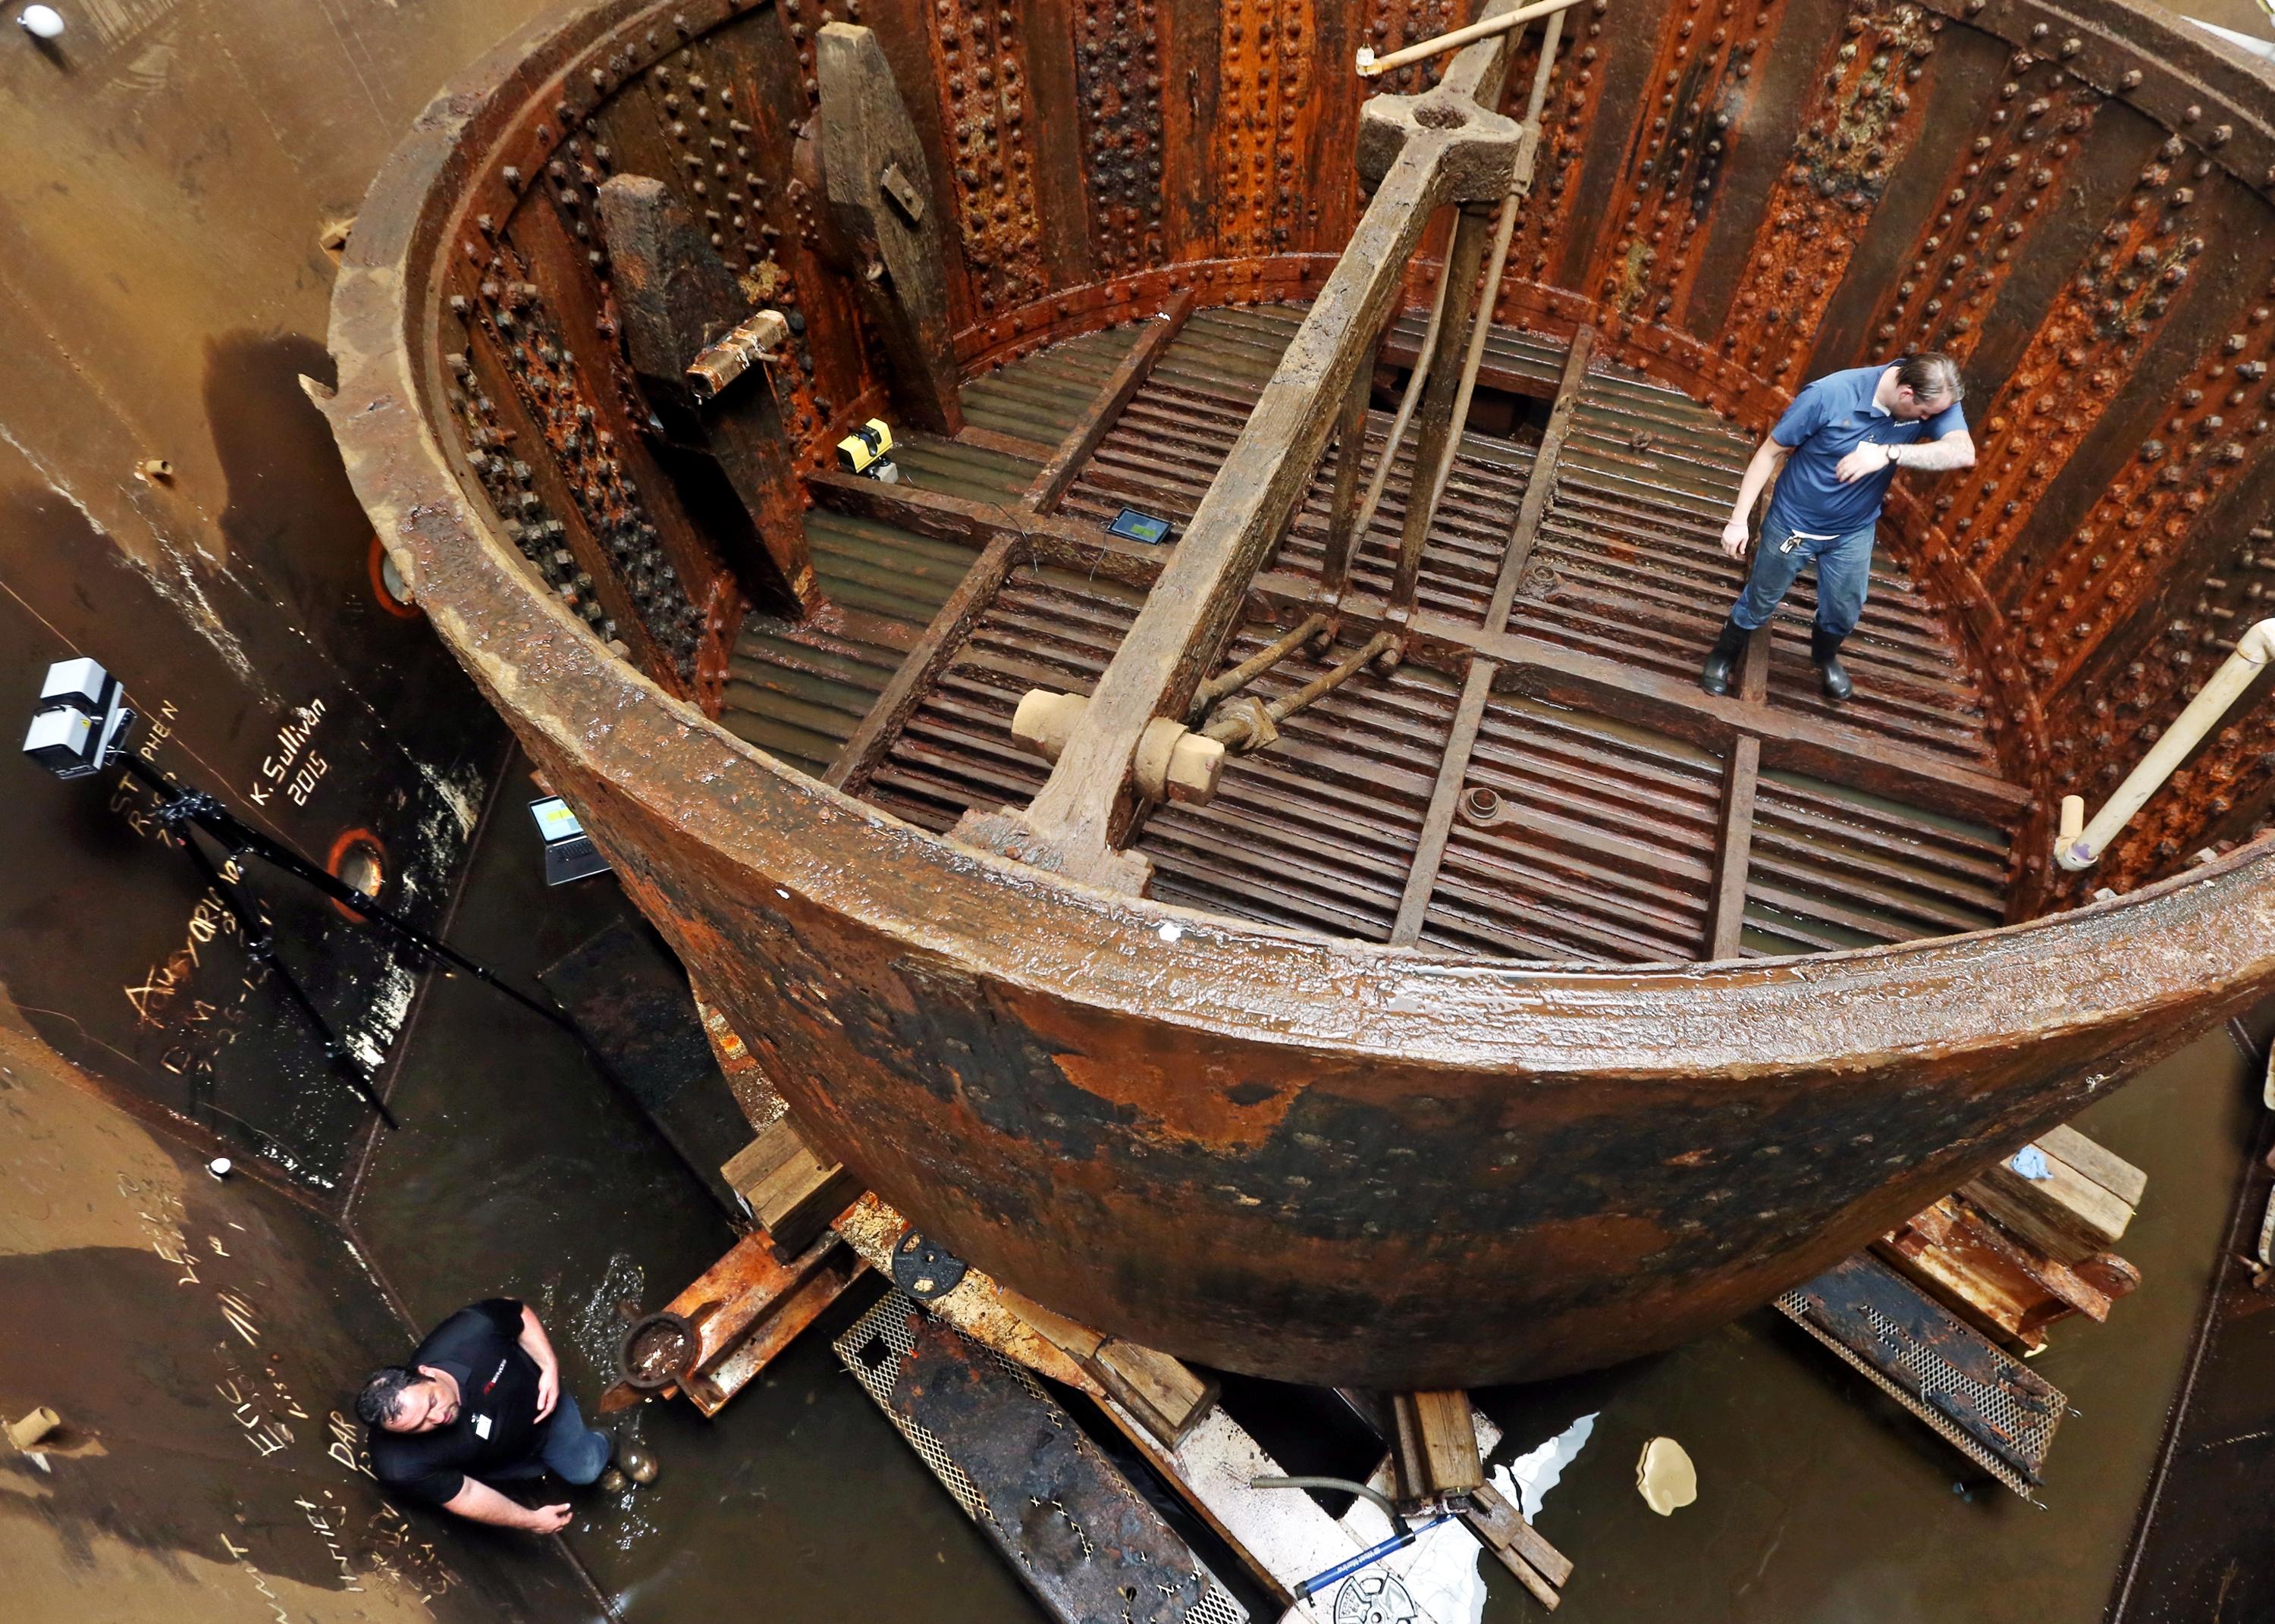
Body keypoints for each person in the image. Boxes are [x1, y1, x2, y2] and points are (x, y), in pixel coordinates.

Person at [1702, 353, 1975, 701]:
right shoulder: (1829, 395)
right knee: (1762, 596)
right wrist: (1739, 521)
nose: (1928, 421)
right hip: (1795, 525)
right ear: (1906, 393)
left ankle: (1824, 656)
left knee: (1845, 607)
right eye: (1924, 415)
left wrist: (1888, 454)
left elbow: (1963, 453)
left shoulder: (1937, 393)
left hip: (1853, 529)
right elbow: (1770, 453)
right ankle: (1724, 652)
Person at [356, 1297, 613, 1533]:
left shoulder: (471, 1334)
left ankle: (610, 1442)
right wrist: (532, 1520)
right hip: (502, 1460)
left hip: (547, 1408)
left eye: (432, 1402)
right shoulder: (397, 1464)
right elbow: (465, 1493)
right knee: (534, 1473)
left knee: (585, 1470)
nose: (436, 1418)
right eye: (417, 1426)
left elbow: (518, 1312)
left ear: (426, 1373)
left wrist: (549, 1366)